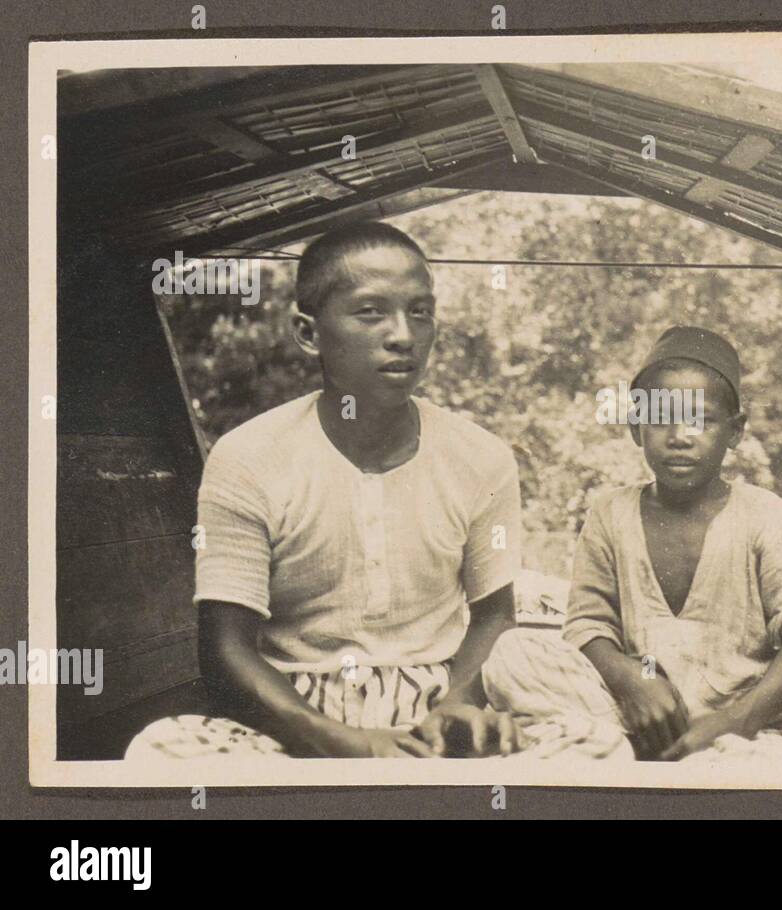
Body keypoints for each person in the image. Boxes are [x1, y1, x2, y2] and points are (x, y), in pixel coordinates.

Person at [128, 221, 522, 760]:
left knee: (587, 743)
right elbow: (225, 649)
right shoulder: (250, 458)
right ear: (308, 333)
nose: (403, 335)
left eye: (420, 311)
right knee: (162, 751)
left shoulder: (481, 458)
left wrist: (457, 702)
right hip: (292, 715)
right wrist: (345, 741)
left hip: (439, 705)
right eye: (371, 311)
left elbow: (496, 614)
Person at [482, 326, 782, 762]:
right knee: (511, 653)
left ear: (735, 431)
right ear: (636, 428)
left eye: (701, 420)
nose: (680, 437)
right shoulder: (610, 513)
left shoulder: (764, 515)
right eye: (661, 418)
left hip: (741, 727)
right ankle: (625, 746)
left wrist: (736, 720)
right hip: (636, 712)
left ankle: (624, 752)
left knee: (776, 765)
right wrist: (634, 683)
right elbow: (588, 627)